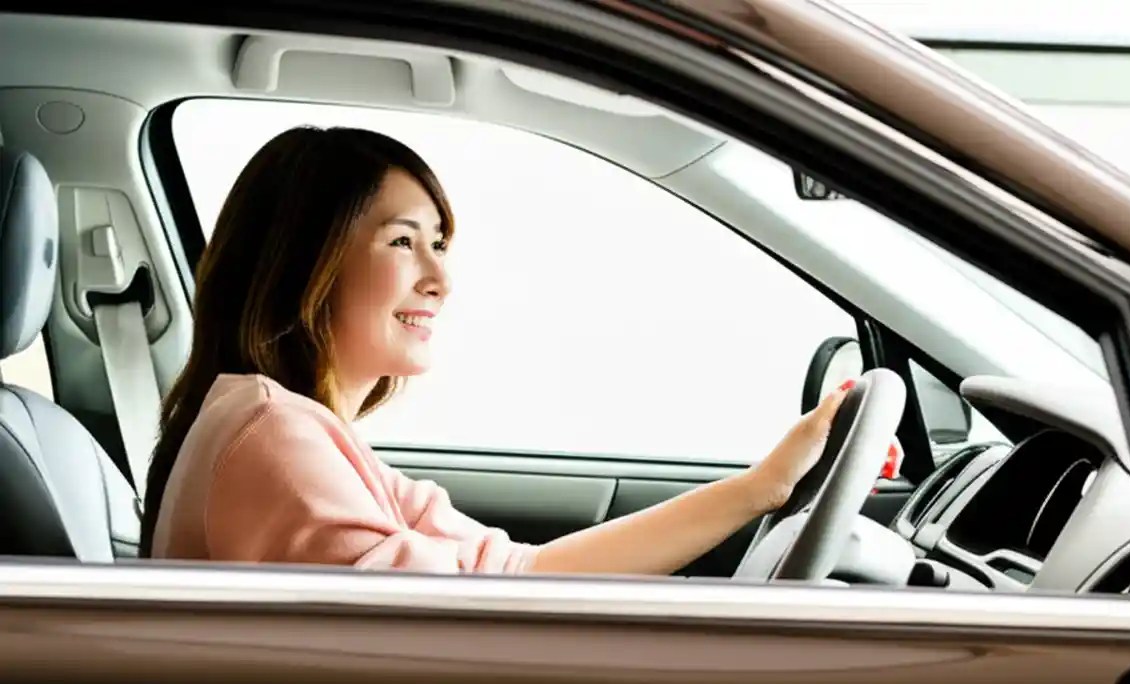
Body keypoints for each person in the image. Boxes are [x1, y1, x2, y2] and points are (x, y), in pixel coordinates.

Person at [141, 126, 874, 575]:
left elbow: (517, 574)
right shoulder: (272, 434)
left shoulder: (307, 435)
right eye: (403, 242)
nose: (440, 279)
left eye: (440, 244)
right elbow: (454, 632)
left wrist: (764, 487)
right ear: (306, 258)